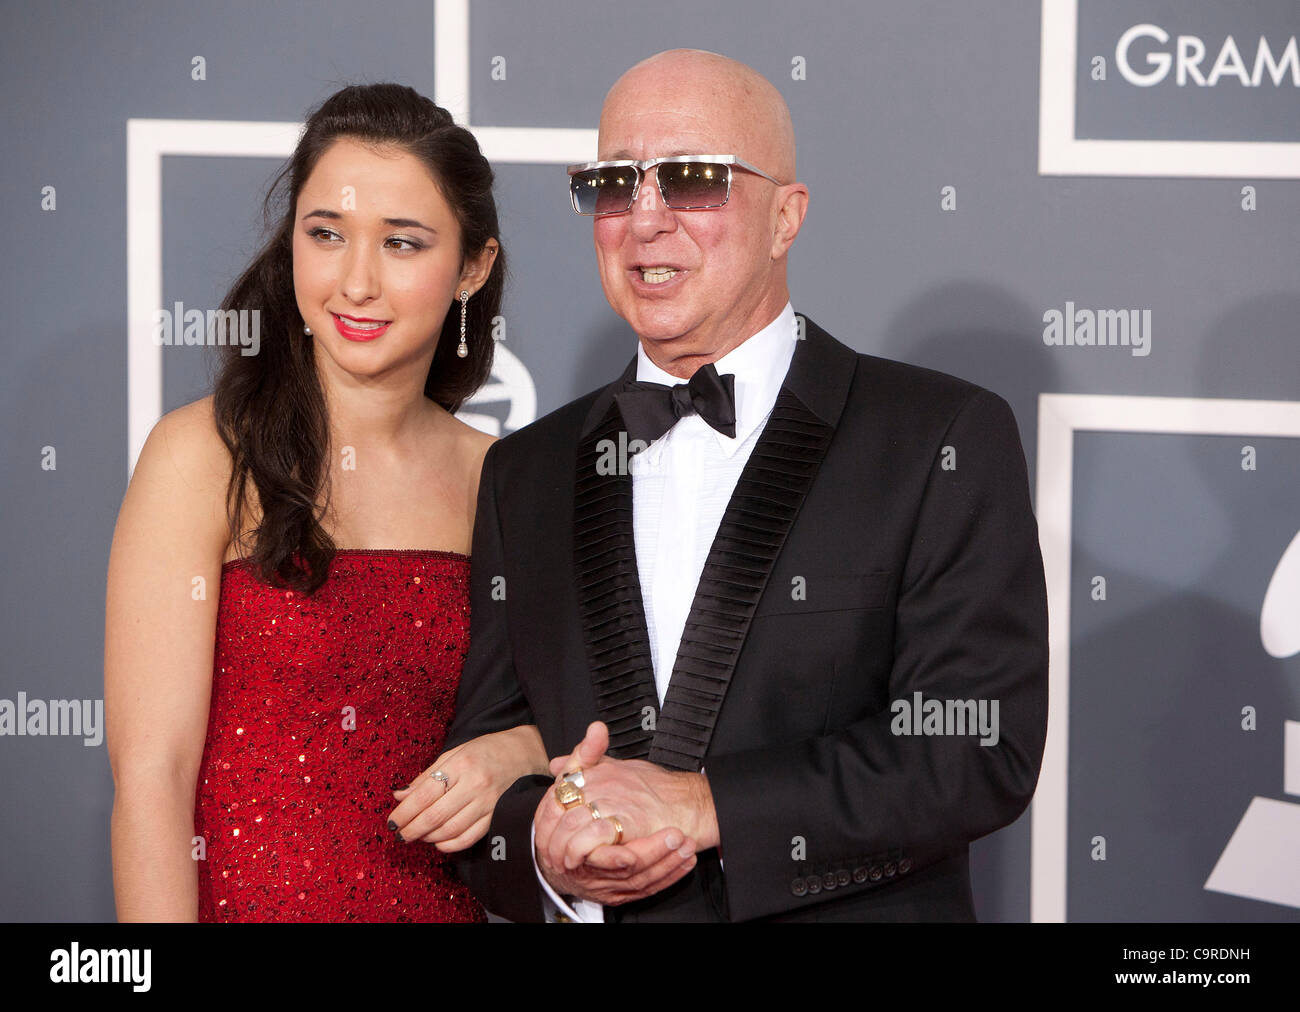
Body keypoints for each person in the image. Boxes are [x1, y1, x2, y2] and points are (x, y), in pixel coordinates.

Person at [441, 50, 1049, 922]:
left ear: (785, 217)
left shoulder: (936, 438)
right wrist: (543, 847)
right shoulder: (525, 472)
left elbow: (973, 749)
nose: (645, 220)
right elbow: (487, 761)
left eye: (691, 180)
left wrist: (704, 804)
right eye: (614, 184)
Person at [105, 83, 548, 922]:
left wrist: (518, 751)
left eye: (403, 244)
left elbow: (584, 723)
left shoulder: (506, 480)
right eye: (327, 235)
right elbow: (151, 779)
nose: (356, 281)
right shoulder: (203, 455)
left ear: (473, 267)